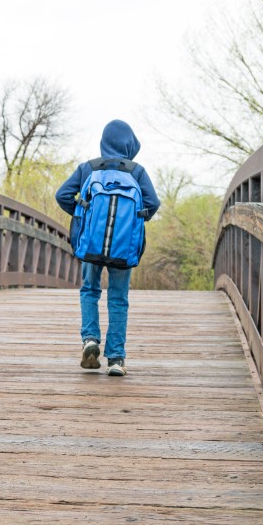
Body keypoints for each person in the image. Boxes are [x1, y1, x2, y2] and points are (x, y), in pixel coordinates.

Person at [55, 119, 160, 377]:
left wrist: (83, 216)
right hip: (123, 246)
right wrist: (132, 222)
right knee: (118, 298)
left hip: (92, 242)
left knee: (90, 290)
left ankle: (90, 339)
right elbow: (153, 203)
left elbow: (62, 195)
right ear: (129, 145)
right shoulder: (136, 172)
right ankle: (116, 358)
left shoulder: (88, 168)